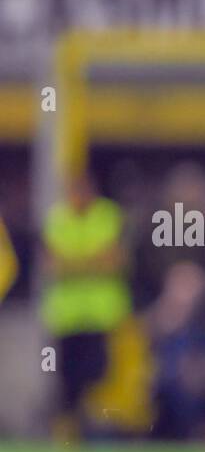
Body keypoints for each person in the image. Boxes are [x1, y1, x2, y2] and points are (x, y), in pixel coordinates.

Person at [40, 173, 131, 436]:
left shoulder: (108, 216)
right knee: (66, 380)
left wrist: (71, 263)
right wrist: (92, 262)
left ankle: (96, 429)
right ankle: (70, 433)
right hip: (66, 317)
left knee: (99, 375)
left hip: (100, 315)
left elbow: (114, 262)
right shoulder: (57, 219)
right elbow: (50, 267)